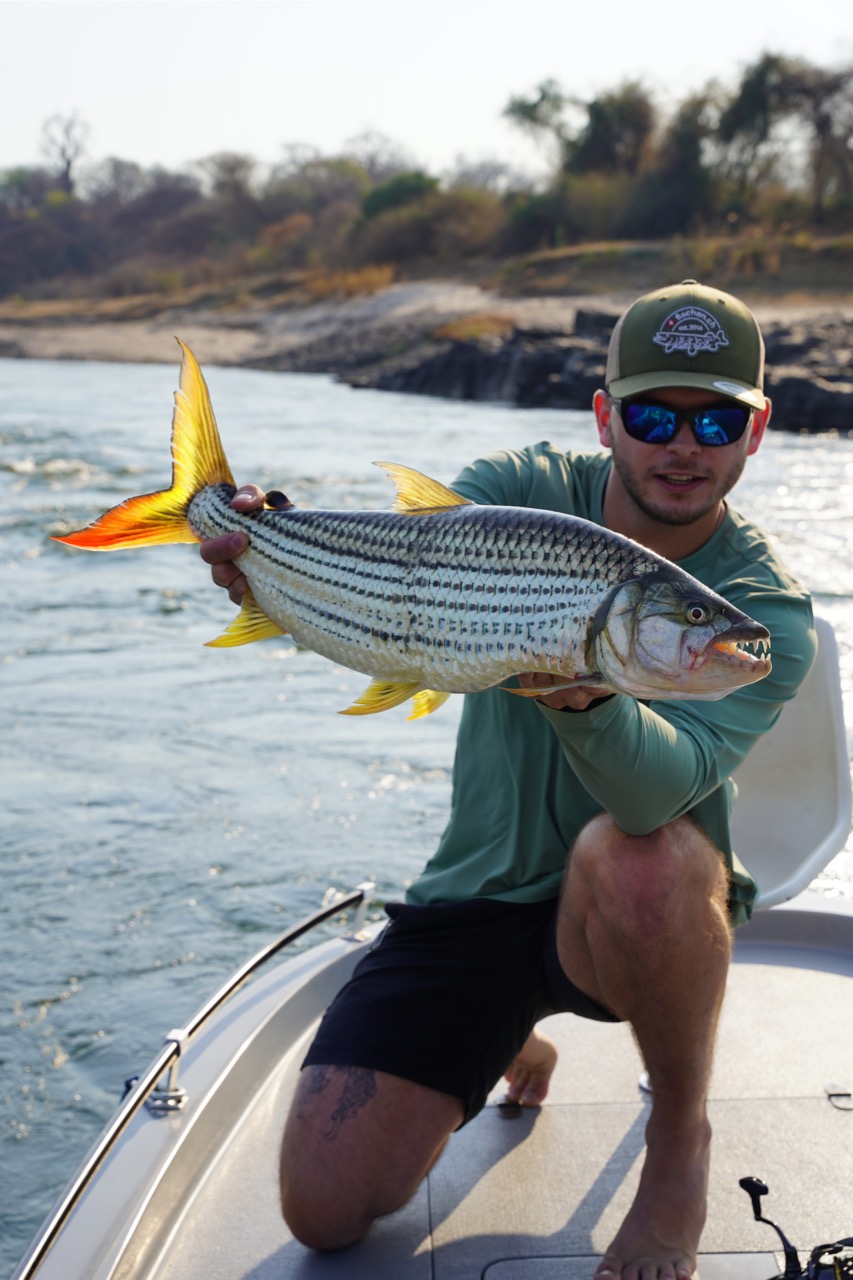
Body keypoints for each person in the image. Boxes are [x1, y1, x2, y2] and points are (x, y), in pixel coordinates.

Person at [199, 280, 815, 1280]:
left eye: (717, 418)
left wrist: (582, 694)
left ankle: (678, 1142)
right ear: (606, 415)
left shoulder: (755, 619)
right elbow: (397, 597)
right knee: (322, 1208)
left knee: (637, 852)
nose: (683, 444)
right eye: (655, 414)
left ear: (758, 431)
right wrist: (272, 556)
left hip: (636, 923)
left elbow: (657, 795)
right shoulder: (515, 489)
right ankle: (508, 1027)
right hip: (478, 893)